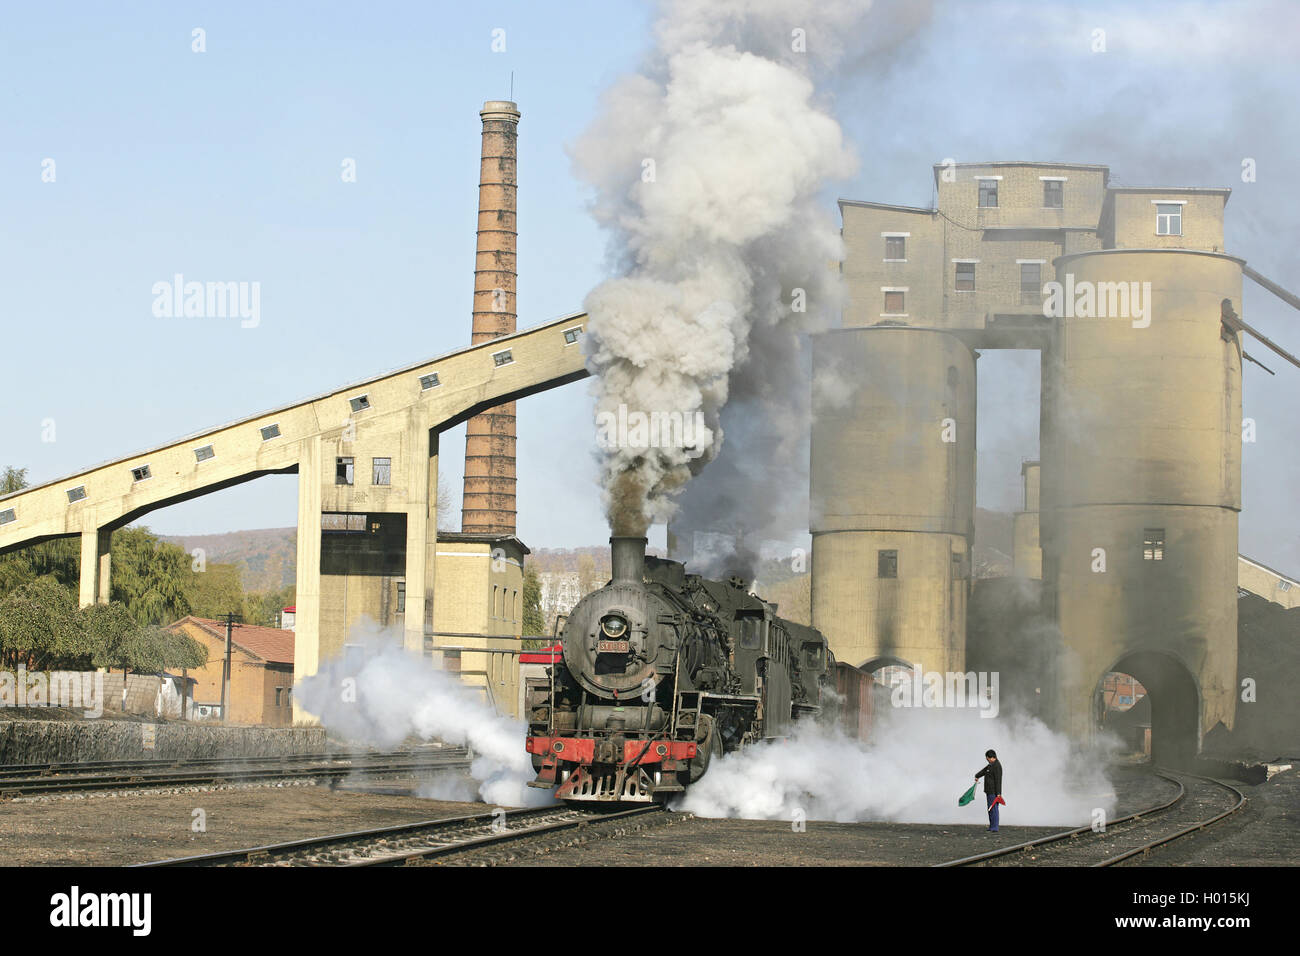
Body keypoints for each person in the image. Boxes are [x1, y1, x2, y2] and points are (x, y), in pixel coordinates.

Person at [975, 749, 1003, 832]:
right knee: (990, 809)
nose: (987, 760)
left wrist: (998, 793)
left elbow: (998, 780)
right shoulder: (991, 765)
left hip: (994, 792)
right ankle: (992, 826)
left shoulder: (997, 766)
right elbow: (984, 771)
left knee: (993, 809)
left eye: (987, 759)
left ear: (991, 758)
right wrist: (977, 776)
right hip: (989, 791)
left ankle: (995, 827)